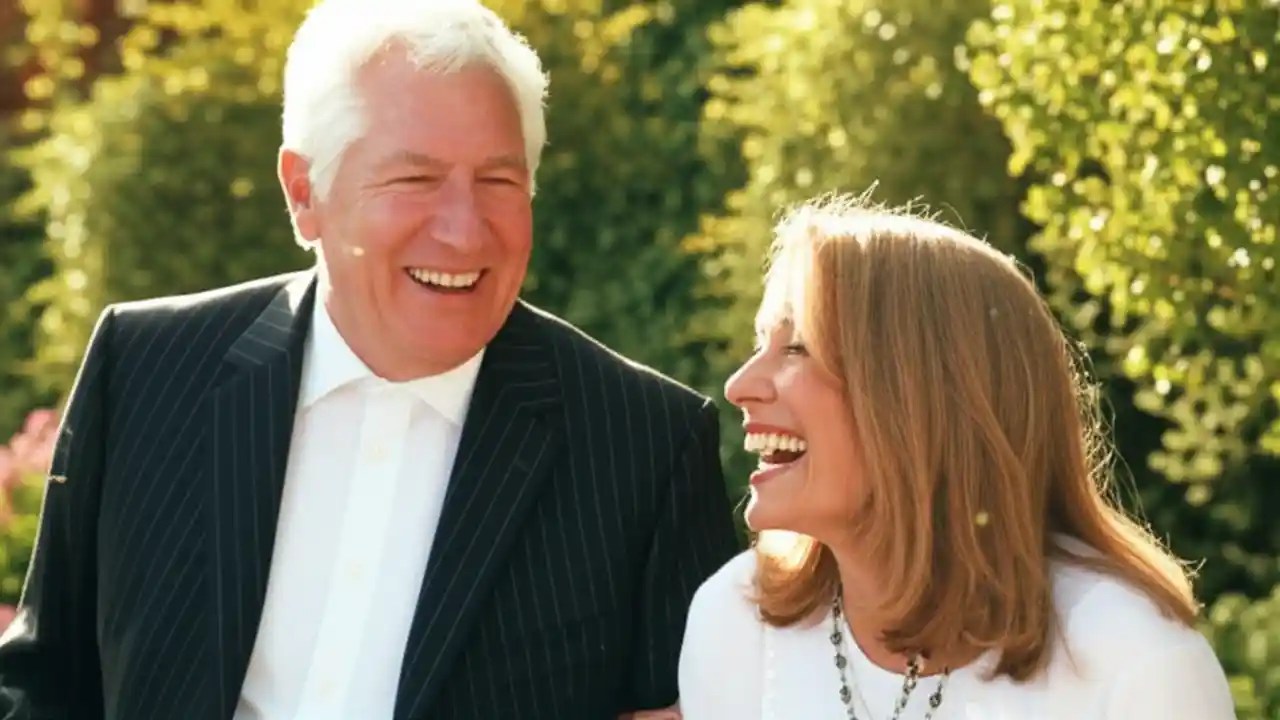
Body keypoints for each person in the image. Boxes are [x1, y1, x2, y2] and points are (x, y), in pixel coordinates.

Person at [0, 0, 740, 717]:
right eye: (414, 179)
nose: (463, 229)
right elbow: (46, 684)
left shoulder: (645, 447)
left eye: (499, 181)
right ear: (303, 193)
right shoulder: (147, 372)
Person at [677, 194, 1237, 719]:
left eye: (797, 346)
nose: (739, 385)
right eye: (760, 345)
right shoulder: (734, 622)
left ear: (921, 395)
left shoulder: (1134, 663)